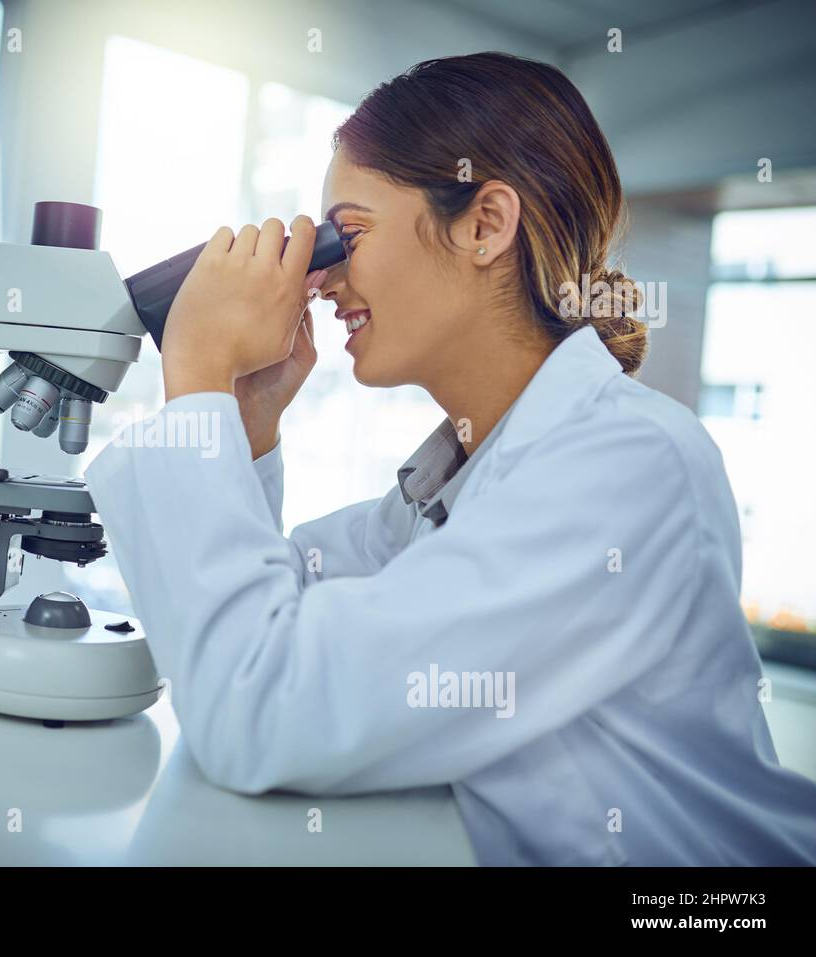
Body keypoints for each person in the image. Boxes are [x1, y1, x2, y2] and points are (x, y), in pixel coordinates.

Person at [83, 52, 816, 865]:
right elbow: (265, 616)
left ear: (484, 224)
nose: (321, 281)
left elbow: (261, 707)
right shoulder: (457, 481)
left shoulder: (627, 464)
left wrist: (196, 375)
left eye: (348, 234)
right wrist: (244, 418)